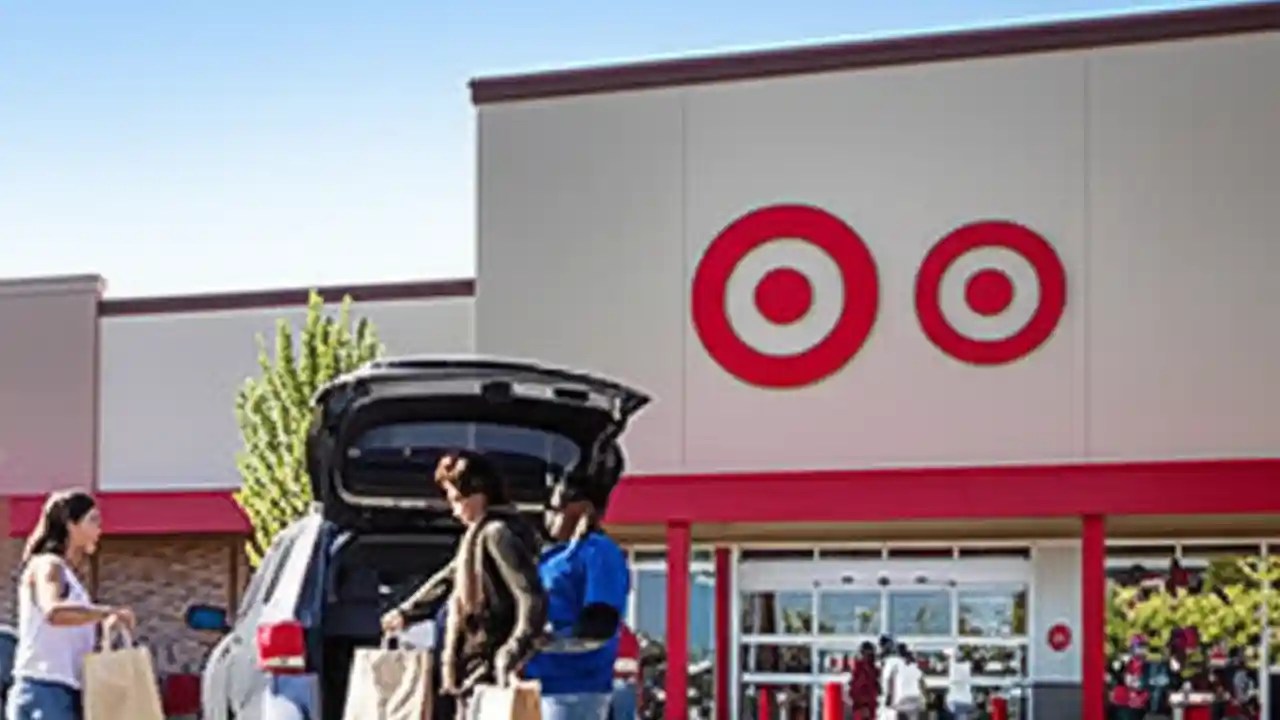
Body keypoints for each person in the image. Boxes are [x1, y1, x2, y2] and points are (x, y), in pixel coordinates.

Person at [385, 451, 546, 719]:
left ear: (480, 495)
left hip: (488, 664)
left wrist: (513, 649)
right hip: (475, 667)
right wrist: (407, 613)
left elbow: (531, 597)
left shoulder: (497, 534)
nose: (454, 510)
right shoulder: (478, 535)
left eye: (458, 500)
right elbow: (448, 578)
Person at [6, 491, 135, 720]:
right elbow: (53, 611)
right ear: (71, 525)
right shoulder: (49, 565)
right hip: (46, 687)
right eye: (92, 520)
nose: (99, 529)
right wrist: (107, 612)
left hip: (59, 688)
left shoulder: (67, 574)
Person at [523, 479, 631, 720]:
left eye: (554, 508)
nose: (547, 517)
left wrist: (539, 644)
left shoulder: (599, 552)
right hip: (536, 687)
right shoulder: (553, 556)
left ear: (582, 509)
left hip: (574, 692)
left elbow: (599, 627)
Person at [847, 641, 879, 719]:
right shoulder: (863, 669)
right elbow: (860, 689)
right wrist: (864, 706)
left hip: (866, 707)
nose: (873, 656)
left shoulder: (868, 669)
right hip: (864, 707)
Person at [943, 649, 974, 720]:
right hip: (959, 700)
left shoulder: (963, 667)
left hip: (961, 700)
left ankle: (955, 655)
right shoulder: (952, 707)